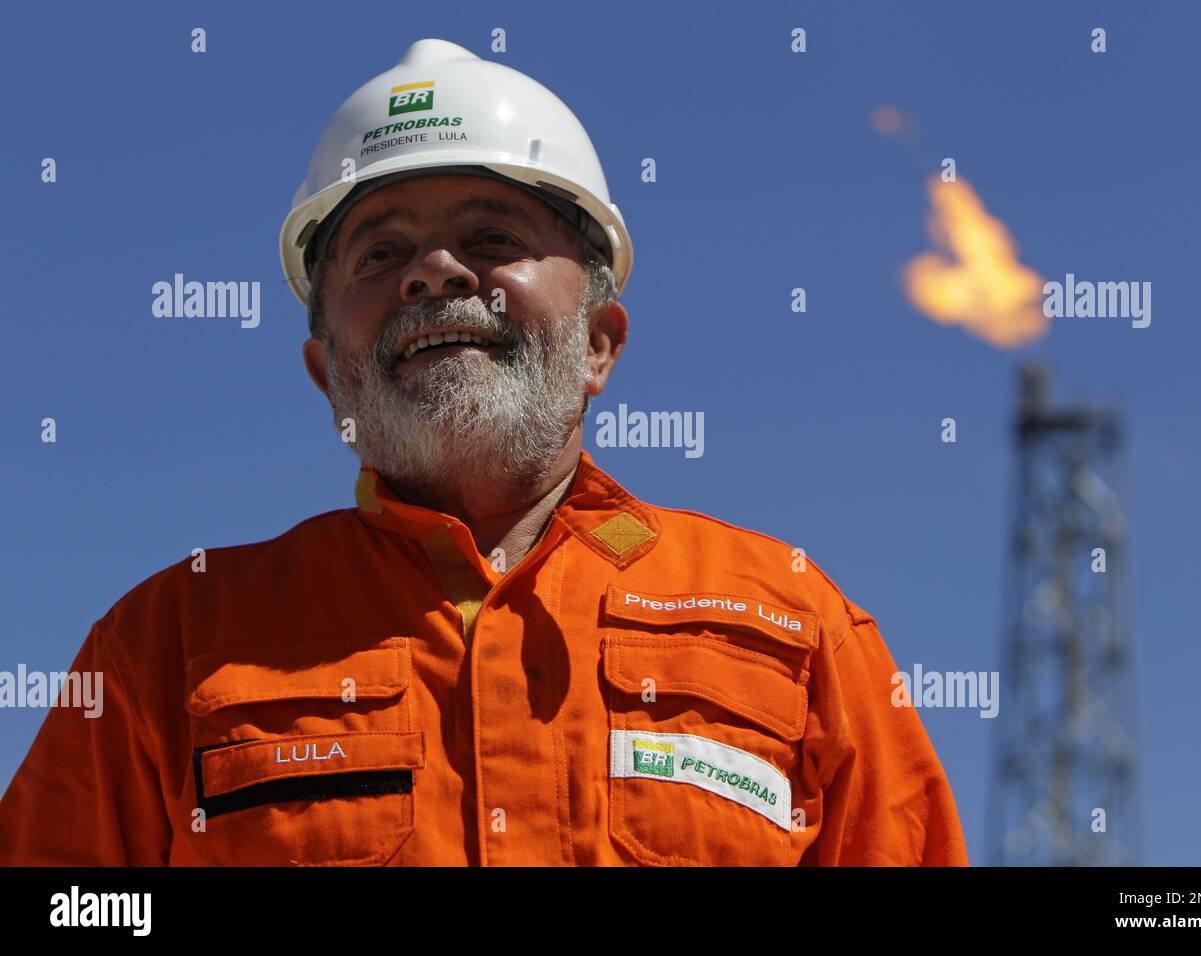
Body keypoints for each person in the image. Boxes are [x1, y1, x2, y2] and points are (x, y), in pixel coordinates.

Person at [0, 38, 968, 866]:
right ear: (325, 370)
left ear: (599, 341)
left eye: (492, 235)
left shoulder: (790, 625)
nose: (434, 271)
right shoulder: (167, 646)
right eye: (380, 254)